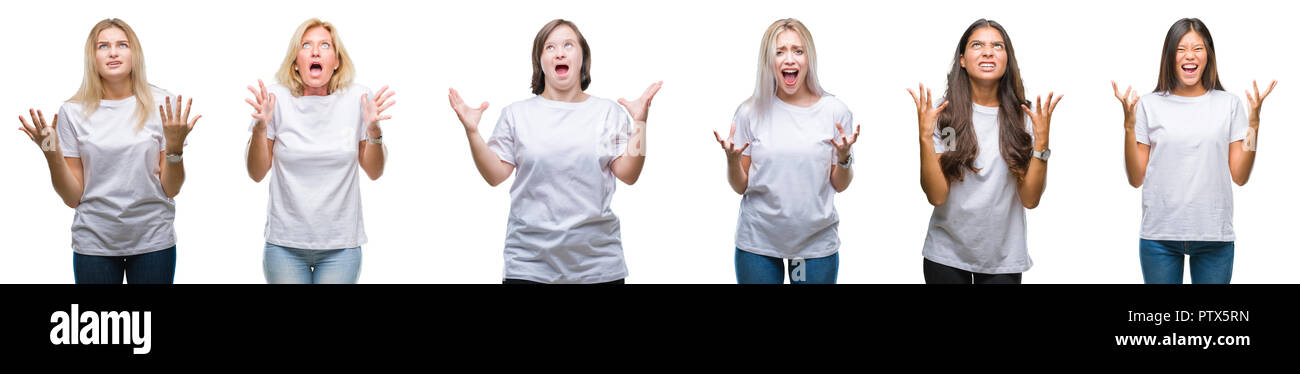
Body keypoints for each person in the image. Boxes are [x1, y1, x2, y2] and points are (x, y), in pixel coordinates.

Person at [449, 18, 661, 284]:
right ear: (540, 61)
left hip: (598, 267)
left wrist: (640, 124)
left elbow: (629, 174)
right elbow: (494, 175)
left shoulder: (608, 112)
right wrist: (472, 132)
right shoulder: (516, 114)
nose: (559, 52)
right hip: (528, 266)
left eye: (568, 45)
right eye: (550, 47)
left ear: (583, 57)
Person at [17, 18, 201, 284]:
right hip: (94, 242)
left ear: (135, 53)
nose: (113, 52)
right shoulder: (73, 111)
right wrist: (51, 153)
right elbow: (72, 197)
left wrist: (174, 147)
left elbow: (171, 189)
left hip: (152, 239)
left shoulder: (163, 104)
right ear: (92, 57)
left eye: (122, 45)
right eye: (103, 46)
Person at [1113, 18, 1275, 284]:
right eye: (1181, 49)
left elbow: (1240, 176)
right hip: (1160, 237)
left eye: (1197, 48)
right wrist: (1129, 128)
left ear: (1208, 54)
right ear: (1169, 56)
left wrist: (1254, 125)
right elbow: (1135, 178)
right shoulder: (1148, 105)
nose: (1189, 55)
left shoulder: (1229, 104)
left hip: (1214, 236)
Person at [244, 18, 395, 284]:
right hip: (284, 245)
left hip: (341, 246)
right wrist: (259, 129)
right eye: (306, 45)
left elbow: (374, 171)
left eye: (325, 45)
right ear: (295, 61)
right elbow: (256, 173)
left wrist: (373, 131)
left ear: (336, 61)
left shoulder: (358, 98)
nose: (315, 52)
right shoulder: (274, 98)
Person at [911, 19, 1061, 284]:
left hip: (1003, 259)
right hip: (946, 255)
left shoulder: (1024, 118)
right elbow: (937, 195)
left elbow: (1030, 200)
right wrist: (924, 138)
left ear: (1007, 58)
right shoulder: (946, 116)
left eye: (997, 46)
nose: (988, 52)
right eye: (977, 45)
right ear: (962, 60)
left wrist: (1041, 143)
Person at [714, 18, 856, 284]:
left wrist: (844, 158)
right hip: (759, 244)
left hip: (813, 246)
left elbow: (840, 184)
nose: (789, 59)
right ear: (768, 60)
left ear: (808, 58)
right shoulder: (749, 112)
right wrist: (732, 161)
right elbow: (740, 186)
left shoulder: (834, 112)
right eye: (780, 52)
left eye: (798, 51)